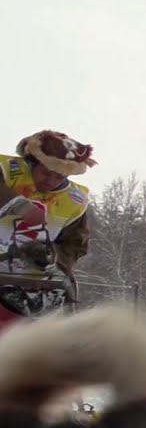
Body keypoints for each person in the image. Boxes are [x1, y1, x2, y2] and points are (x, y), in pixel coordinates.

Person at [0, 130, 95, 329]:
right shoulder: (8, 172)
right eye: (46, 173)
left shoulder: (74, 200)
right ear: (33, 163)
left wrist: (52, 257)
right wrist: (19, 206)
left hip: (30, 290)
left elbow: (75, 245)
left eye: (59, 176)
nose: (51, 181)